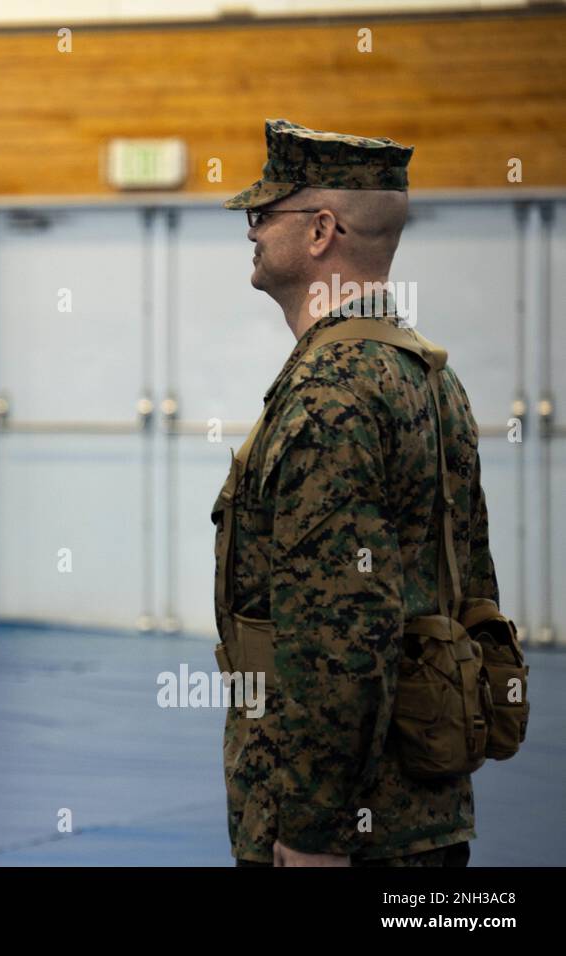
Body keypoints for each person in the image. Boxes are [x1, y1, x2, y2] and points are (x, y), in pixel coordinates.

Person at [212, 119, 498, 867]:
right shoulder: (432, 378)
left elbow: (339, 637)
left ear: (320, 232)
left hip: (348, 833)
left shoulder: (329, 398)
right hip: (425, 811)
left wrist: (312, 833)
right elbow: (475, 586)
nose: (250, 230)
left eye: (263, 213)